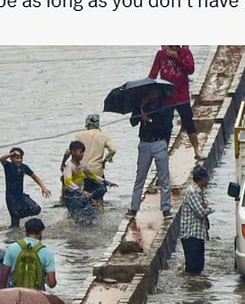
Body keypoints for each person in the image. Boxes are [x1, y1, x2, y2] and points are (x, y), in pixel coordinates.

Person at [148, 45, 202, 161]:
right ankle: (164, 152)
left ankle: (197, 149)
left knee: (188, 122)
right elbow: (153, 73)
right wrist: (148, 90)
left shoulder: (185, 53)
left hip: (182, 95)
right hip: (166, 95)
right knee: (166, 124)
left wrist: (177, 58)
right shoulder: (161, 54)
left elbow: (190, 69)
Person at [126, 89, 174, 220]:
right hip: (145, 144)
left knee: (164, 178)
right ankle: (133, 208)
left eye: (153, 93)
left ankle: (166, 209)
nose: (150, 96)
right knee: (140, 177)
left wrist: (149, 120)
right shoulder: (142, 106)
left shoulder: (165, 107)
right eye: (149, 93)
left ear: (158, 94)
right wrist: (140, 108)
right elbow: (133, 122)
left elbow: (166, 127)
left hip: (159, 142)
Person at [60, 114, 118, 204]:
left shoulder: (79, 136)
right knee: (99, 200)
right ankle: (100, 216)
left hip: (81, 172)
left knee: (82, 199)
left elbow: (68, 151)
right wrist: (105, 160)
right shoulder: (103, 136)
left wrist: (63, 163)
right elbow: (113, 150)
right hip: (97, 171)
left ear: (87, 124)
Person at [0, 148, 52, 228]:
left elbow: (34, 176)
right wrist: (11, 154)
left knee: (36, 209)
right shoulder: (8, 166)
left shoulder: (24, 167)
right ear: (11, 158)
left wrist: (43, 187)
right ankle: (14, 221)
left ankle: (18, 216)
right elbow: (2, 159)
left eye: (21, 158)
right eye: (17, 158)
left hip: (21, 195)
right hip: (11, 198)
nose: (19, 160)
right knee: (15, 226)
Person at [61, 140, 110, 224]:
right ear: (73, 152)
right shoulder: (69, 167)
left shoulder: (82, 165)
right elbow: (68, 182)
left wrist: (105, 182)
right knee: (76, 217)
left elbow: (92, 176)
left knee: (90, 216)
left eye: (83, 152)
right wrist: (81, 191)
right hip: (70, 196)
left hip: (80, 194)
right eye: (80, 152)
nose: (83, 154)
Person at [180, 165, 213, 274]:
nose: (208, 180)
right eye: (206, 178)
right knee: (193, 267)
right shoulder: (193, 192)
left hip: (197, 234)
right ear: (202, 179)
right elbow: (200, 212)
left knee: (198, 266)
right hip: (191, 235)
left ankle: (193, 288)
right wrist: (209, 209)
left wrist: (205, 207)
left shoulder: (198, 192)